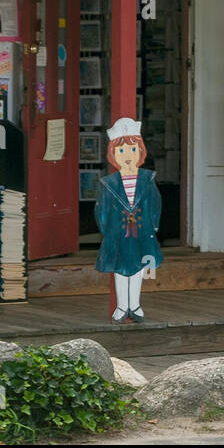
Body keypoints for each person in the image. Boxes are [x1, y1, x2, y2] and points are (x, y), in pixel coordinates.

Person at [95, 117, 163, 323]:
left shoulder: (147, 180)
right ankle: (122, 305)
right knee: (119, 269)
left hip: (142, 232)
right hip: (118, 233)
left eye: (133, 150)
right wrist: (108, 230)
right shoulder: (109, 184)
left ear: (140, 152)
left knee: (139, 267)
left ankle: (135, 304)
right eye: (121, 151)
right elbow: (102, 210)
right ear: (113, 154)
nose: (127, 155)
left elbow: (155, 204)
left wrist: (154, 225)